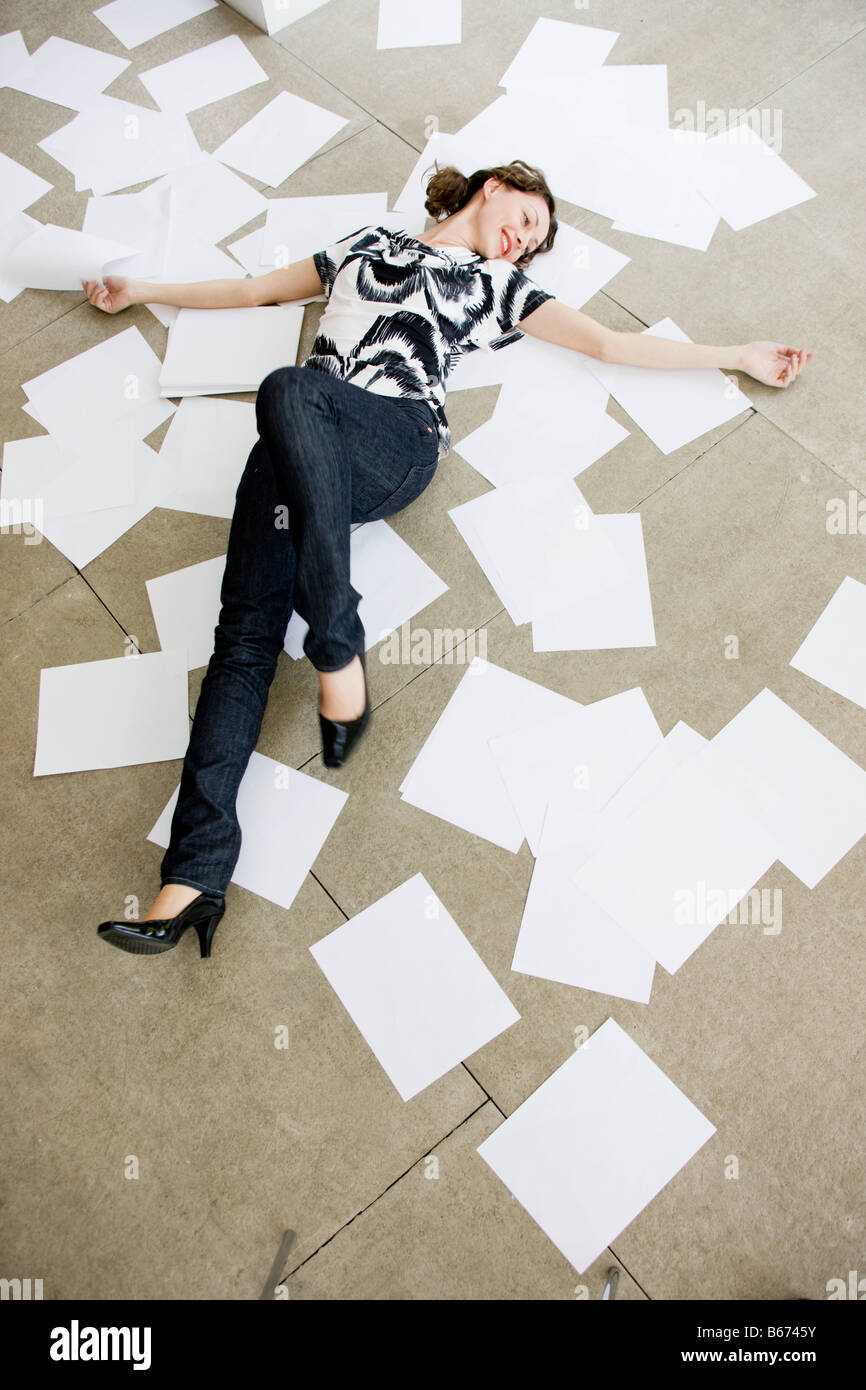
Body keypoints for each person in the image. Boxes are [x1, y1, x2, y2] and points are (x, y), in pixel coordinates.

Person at [85, 158, 813, 959]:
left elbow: (607, 343)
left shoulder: (494, 288)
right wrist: (143, 289)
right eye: (528, 218)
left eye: (535, 245)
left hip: (390, 439)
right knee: (243, 639)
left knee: (291, 388)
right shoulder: (365, 245)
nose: (525, 242)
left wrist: (734, 355)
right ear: (494, 187)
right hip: (297, 456)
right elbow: (257, 289)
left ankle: (337, 646)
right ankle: (191, 880)